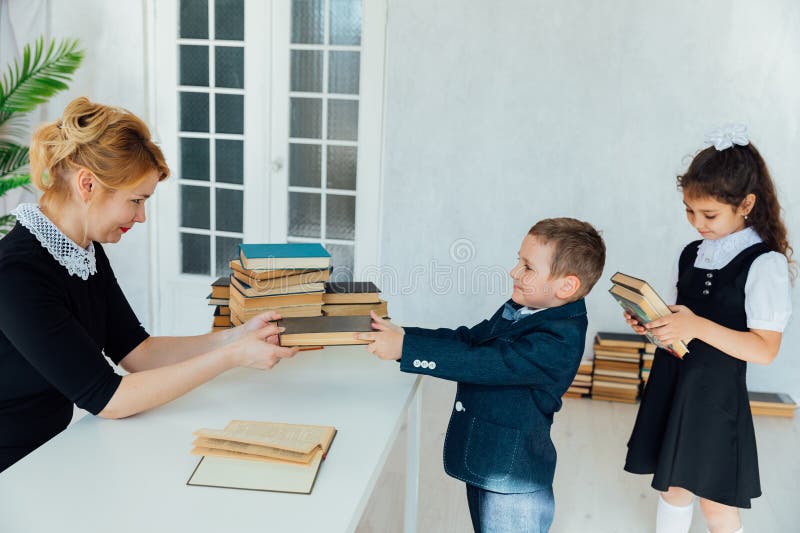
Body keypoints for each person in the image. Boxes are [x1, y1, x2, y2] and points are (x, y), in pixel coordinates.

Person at [0, 97, 298, 473]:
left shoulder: (80, 251)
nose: (141, 217)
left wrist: (235, 337)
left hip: (53, 451)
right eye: (136, 201)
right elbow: (108, 399)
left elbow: (137, 352)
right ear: (87, 184)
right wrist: (230, 358)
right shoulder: (15, 273)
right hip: (11, 471)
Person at [358, 218, 606, 533]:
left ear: (566, 286)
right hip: (489, 462)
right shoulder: (527, 310)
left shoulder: (558, 339)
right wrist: (406, 335)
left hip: (513, 481)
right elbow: (469, 340)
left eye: (528, 267)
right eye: (518, 260)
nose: (514, 271)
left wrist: (406, 350)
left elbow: (486, 362)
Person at [623, 124, 793, 533]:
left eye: (709, 214)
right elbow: (679, 326)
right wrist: (651, 325)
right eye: (689, 211)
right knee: (673, 490)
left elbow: (765, 350)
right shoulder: (690, 254)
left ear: (747, 203)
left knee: (716, 503)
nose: (697, 223)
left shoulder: (763, 263)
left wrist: (696, 325)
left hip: (716, 399)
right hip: (674, 385)